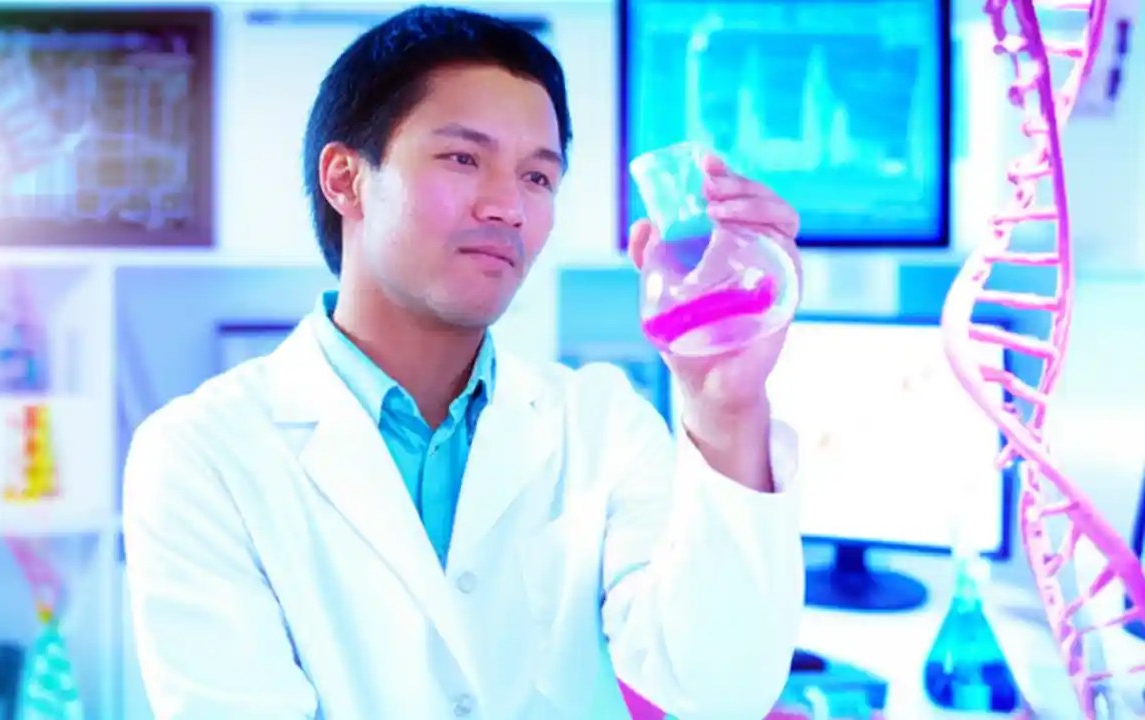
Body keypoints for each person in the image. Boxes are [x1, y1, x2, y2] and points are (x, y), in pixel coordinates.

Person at [123, 5, 805, 719]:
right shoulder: (199, 454)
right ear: (345, 179)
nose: (509, 206)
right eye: (462, 158)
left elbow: (716, 693)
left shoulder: (601, 423)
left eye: (539, 178)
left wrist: (725, 407)